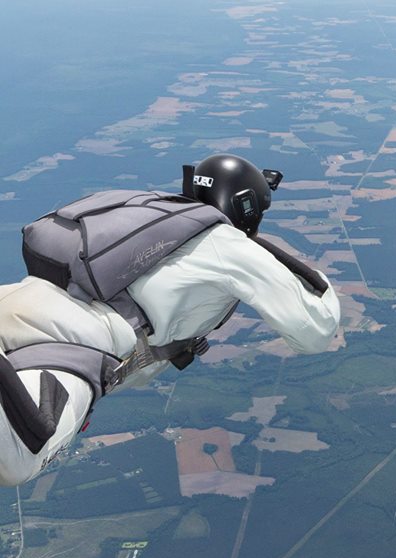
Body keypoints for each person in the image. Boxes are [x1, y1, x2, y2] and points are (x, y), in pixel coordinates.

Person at [0, 154, 341, 486]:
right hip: (77, 339)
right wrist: (294, 269)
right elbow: (315, 330)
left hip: (20, 300)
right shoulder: (227, 242)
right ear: (246, 207)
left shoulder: (154, 216)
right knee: (23, 454)